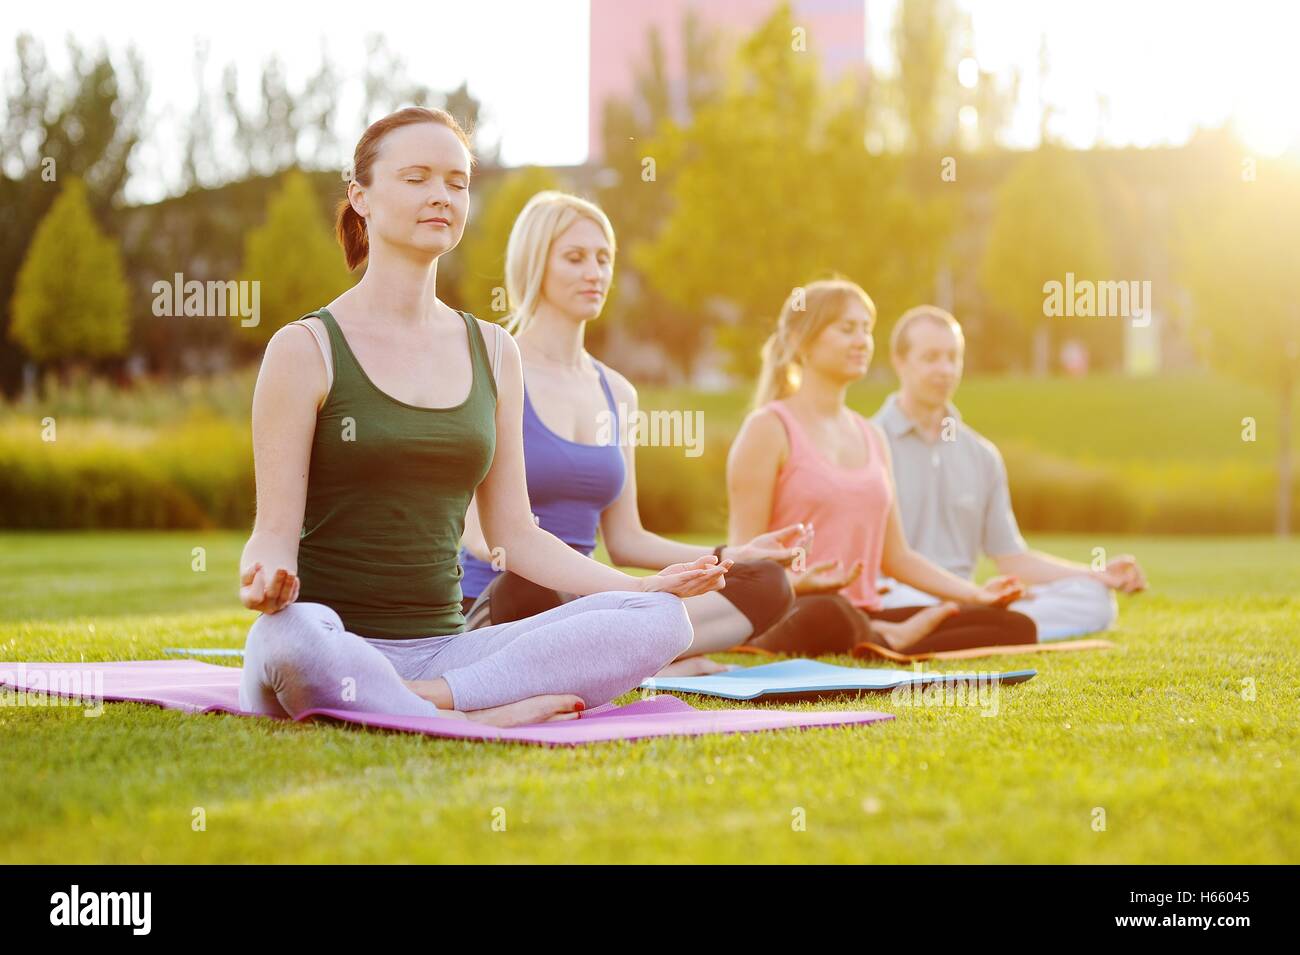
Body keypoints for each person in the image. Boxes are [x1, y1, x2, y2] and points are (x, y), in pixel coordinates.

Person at [237, 108, 731, 729]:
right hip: (331, 636)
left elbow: (514, 536)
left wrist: (637, 589)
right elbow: (271, 536)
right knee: (292, 640)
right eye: (416, 178)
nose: (440, 195)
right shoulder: (303, 349)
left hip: (445, 648)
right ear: (359, 197)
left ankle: (429, 701)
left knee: (663, 619)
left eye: (457, 181)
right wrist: (266, 575)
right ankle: (482, 709)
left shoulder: (495, 351)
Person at [457, 192, 801, 675]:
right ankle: (645, 661)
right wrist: (615, 588)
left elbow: (627, 539)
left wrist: (728, 555)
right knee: (528, 584)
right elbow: (478, 536)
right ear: (535, 264)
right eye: (575, 258)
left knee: (765, 582)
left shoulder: (617, 391)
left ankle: (618, 659)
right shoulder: (493, 366)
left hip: (592, 603)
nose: (594, 272)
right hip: (509, 603)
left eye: (603, 259)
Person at [726, 280, 1038, 657]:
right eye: (846, 329)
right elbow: (743, 564)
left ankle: (879, 636)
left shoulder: (872, 435)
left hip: (862, 608)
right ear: (799, 341)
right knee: (830, 612)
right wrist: (801, 582)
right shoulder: (768, 428)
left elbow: (898, 557)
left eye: (866, 330)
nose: (861, 341)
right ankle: (885, 637)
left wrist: (975, 593)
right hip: (788, 609)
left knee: (1014, 624)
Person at [872, 305, 1147, 640]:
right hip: (901, 595)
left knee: (1095, 600)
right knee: (902, 598)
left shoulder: (981, 455)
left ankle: (957, 627)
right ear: (899, 361)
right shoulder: (867, 441)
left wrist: (1097, 574)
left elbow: (1012, 559)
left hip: (969, 598)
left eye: (952, 357)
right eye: (930, 358)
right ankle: (975, 626)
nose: (944, 369)